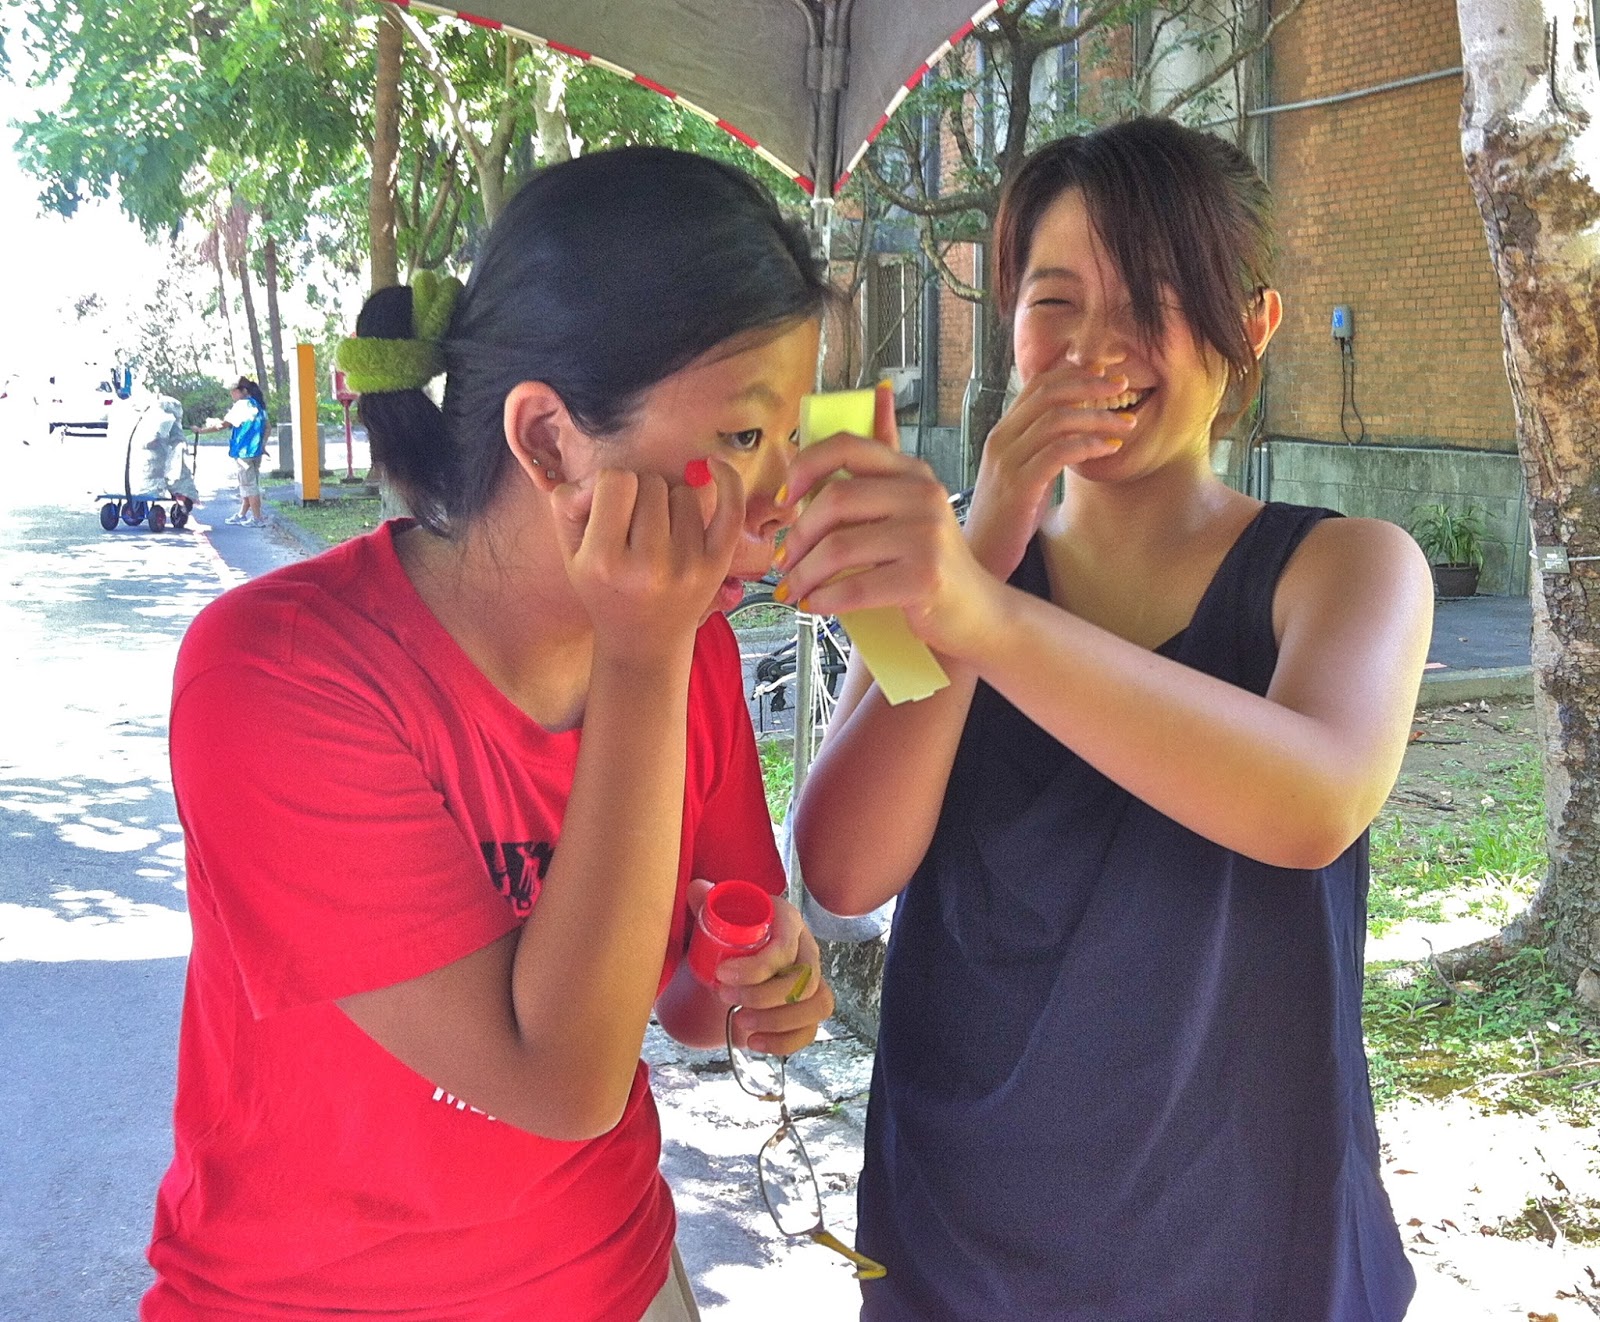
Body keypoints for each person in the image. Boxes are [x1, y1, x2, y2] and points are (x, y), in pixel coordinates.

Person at [144, 147, 837, 1321]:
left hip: (612, 1274)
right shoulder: (279, 675)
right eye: (737, 439)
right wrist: (643, 656)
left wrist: (759, 978)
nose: (778, 501)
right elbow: (562, 1080)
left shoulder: (693, 652)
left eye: (786, 440)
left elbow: (681, 999)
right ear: (551, 441)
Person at [784, 117, 1432, 1320]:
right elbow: (841, 864)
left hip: (1246, 1239)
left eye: (1156, 295)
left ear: (1256, 326)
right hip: (955, 1235)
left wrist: (979, 607)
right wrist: (983, 542)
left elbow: (1310, 801)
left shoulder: (1350, 569)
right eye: (1055, 300)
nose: (1097, 347)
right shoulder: (950, 568)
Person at [199, 376, 268, 525]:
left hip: (244, 451)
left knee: (249, 486)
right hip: (255, 451)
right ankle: (242, 514)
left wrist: (201, 430)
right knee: (248, 484)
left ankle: (257, 518)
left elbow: (223, 425)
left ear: (243, 391)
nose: (232, 395)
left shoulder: (242, 405)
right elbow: (267, 426)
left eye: (233, 392)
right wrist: (263, 445)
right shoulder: (258, 404)